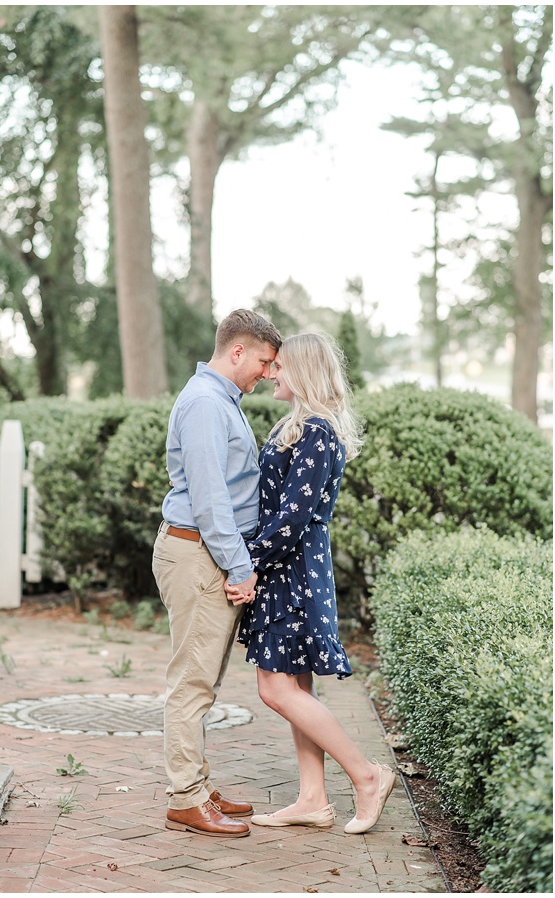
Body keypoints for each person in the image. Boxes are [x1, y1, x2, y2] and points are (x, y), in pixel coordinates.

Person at [234, 333, 396, 834]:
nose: (271, 373)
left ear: (301, 371)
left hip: (294, 570)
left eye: (279, 366)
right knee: (296, 683)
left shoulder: (317, 432)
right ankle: (312, 799)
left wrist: (247, 565)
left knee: (276, 688)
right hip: (292, 566)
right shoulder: (296, 426)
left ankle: (367, 776)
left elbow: (293, 517)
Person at [152, 309, 282, 838]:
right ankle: (185, 796)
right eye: (265, 362)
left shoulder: (218, 400)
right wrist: (241, 566)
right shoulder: (207, 404)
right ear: (237, 351)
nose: (269, 374)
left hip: (204, 553)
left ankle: (198, 785)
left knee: (202, 678)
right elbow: (210, 501)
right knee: (192, 681)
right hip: (200, 555)